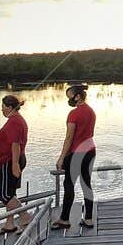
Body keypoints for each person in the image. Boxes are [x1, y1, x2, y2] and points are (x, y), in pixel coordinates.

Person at [53, 83, 97, 230]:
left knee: (69, 185)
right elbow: (90, 133)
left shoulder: (74, 114)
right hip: (90, 151)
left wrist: (61, 158)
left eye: (70, 96)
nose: (69, 100)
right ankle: (88, 218)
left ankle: (64, 219)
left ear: (77, 96)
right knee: (86, 184)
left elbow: (69, 137)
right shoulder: (91, 112)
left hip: (77, 152)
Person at [0, 95, 29, 233]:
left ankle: (25, 216)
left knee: (4, 195)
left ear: (10, 107)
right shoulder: (16, 120)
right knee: (11, 193)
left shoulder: (15, 122)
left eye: (3, 107)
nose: (1, 109)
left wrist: (14, 164)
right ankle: (9, 223)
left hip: (9, 161)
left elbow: (15, 144)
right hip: (11, 160)